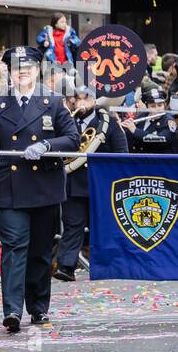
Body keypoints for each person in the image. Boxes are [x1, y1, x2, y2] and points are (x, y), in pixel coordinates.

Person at [0, 46, 79, 333]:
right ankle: (12, 310)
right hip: (10, 188)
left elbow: (73, 138)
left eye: (27, 68)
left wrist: (46, 146)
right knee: (15, 248)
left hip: (44, 187)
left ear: (37, 70)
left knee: (40, 252)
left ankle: (38, 308)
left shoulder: (53, 102)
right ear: (9, 72)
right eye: (17, 68)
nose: (22, 72)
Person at [54, 86, 127, 283]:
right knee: (72, 226)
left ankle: (108, 265)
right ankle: (66, 266)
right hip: (74, 184)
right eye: (77, 100)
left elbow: (121, 153)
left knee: (104, 226)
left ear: (95, 101)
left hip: (101, 184)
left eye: (86, 100)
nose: (81, 104)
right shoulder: (66, 122)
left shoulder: (109, 123)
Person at [121, 86, 178, 153]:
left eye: (160, 105)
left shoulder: (169, 121)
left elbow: (160, 140)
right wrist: (125, 129)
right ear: (147, 107)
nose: (157, 109)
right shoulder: (142, 116)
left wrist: (135, 131)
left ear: (164, 105)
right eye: (153, 106)